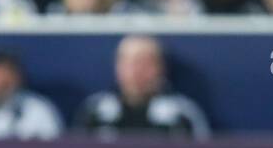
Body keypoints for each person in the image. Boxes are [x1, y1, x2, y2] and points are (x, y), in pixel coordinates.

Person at [73, 34, 210, 138]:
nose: (136, 71)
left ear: (161, 67)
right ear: (117, 67)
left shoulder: (182, 115)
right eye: (129, 62)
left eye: (145, 62)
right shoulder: (94, 112)